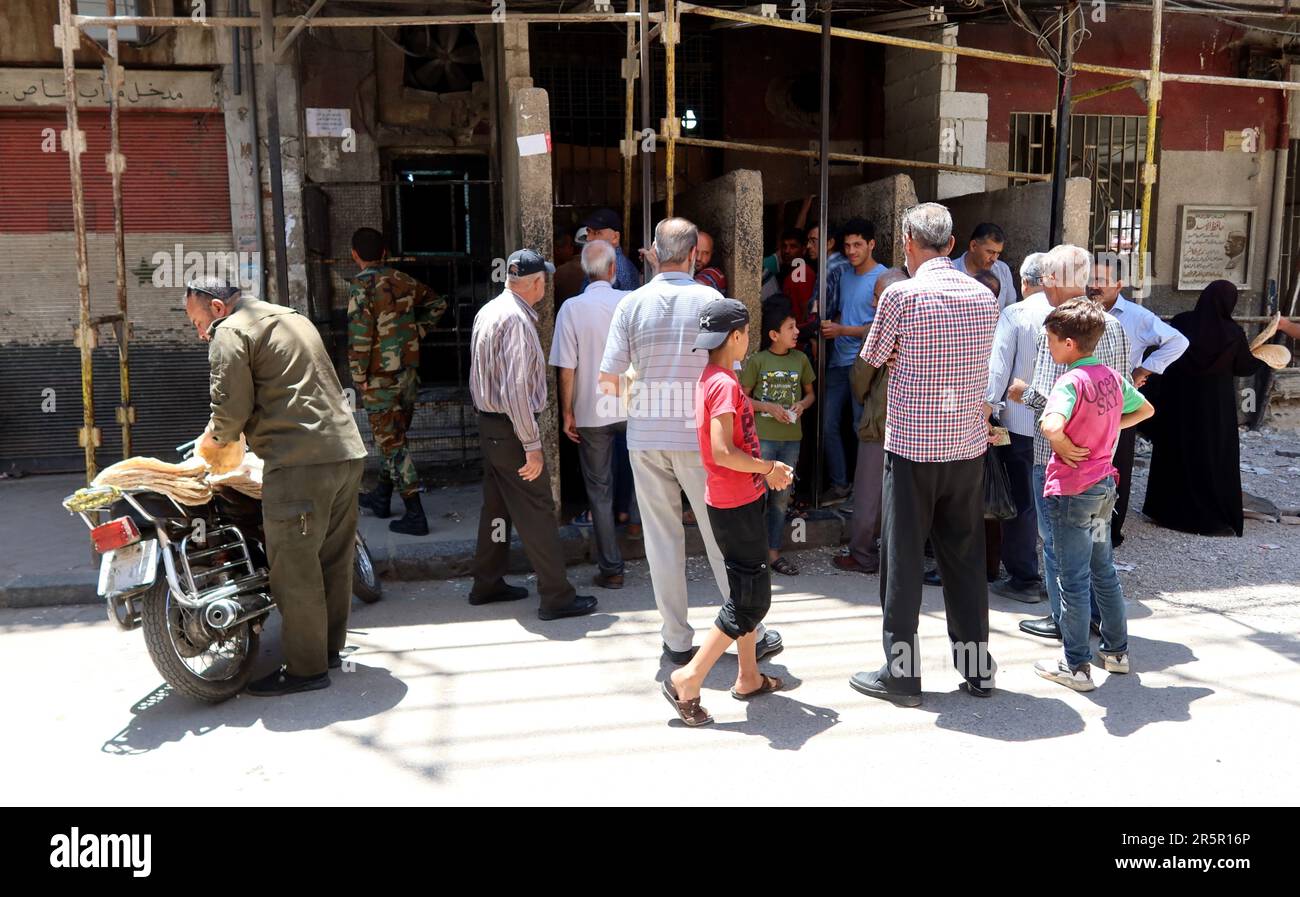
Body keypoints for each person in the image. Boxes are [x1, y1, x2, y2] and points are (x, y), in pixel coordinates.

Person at [601, 218, 783, 665]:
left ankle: (677, 640)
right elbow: (730, 376)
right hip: (703, 436)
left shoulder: (631, 304)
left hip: (646, 436)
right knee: (722, 537)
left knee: (662, 540)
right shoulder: (711, 300)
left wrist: (642, 395)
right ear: (693, 256)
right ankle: (748, 629)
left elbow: (608, 383)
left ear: (656, 252)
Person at [186, 277, 367, 697]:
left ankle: (306, 670)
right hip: (346, 451)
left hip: (299, 462)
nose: (200, 334)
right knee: (332, 559)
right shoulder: (290, 316)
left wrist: (207, 446)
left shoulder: (230, 331)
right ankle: (329, 651)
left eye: (198, 322)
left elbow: (229, 414)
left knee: (294, 567)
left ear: (216, 307)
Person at [850, 203, 1000, 706]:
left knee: (902, 564)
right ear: (952, 245)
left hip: (913, 449)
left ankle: (902, 677)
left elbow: (870, 360)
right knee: (964, 559)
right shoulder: (984, 297)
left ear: (909, 245)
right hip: (966, 449)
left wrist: (899, 358)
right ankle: (977, 670)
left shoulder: (901, 295)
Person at [662, 298, 795, 727]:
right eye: (747, 333)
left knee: (746, 589)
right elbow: (722, 451)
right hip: (735, 501)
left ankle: (749, 676)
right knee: (749, 600)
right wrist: (768, 468)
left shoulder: (715, 376)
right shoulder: (722, 383)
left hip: (733, 500)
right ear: (736, 336)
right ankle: (688, 677)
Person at [1007, 244, 1132, 642]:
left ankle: (1068, 626)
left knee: (1059, 548)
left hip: (1058, 459)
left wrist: (1022, 393)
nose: (1042, 285)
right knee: (1097, 548)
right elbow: (1122, 394)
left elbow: (1052, 403)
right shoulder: (1108, 323)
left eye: (1045, 278)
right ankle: (1102, 628)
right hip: (1100, 461)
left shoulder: (1060, 326)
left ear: (1057, 280)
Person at [468, 249, 598, 621]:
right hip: (511, 430)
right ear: (537, 282)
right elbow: (516, 393)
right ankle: (556, 595)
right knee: (538, 511)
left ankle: (487, 581)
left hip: (492, 427)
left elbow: (481, 378)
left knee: (496, 507)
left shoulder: (489, 311)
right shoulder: (517, 322)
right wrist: (532, 446)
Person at [1033, 297, 1154, 691]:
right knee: (1104, 570)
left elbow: (1051, 424)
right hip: (1104, 489)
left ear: (1069, 343)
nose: (1049, 346)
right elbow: (1146, 410)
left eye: (1051, 339)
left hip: (1072, 492)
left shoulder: (1069, 381)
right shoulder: (1112, 377)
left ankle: (1076, 667)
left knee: (1072, 577)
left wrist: (1063, 444)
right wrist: (1110, 429)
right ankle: (1116, 652)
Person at [1142, 280, 1271, 537]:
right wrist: (1261, 354)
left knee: (1176, 452)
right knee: (1211, 456)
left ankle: (1168, 511)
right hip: (1215, 410)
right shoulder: (1232, 333)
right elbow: (1244, 367)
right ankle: (1210, 516)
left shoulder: (1182, 322)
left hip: (1178, 403)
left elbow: (1164, 352)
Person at [349, 227, 447, 536]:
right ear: (384, 252)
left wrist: (358, 375)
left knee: (392, 444)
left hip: (379, 379)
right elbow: (438, 304)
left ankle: (415, 514)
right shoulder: (403, 280)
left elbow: (360, 335)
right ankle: (381, 497)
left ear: (355, 255)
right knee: (394, 438)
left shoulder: (361, 287)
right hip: (408, 375)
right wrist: (415, 333)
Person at [1087, 257, 1189, 546]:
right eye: (1092, 279)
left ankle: (1109, 532)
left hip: (1119, 402)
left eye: (1102, 281)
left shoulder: (1136, 316)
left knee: (1115, 466)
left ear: (1119, 285)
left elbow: (1178, 341)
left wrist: (1145, 369)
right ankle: (1084, 530)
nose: (1095, 286)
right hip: (1083, 402)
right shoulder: (1080, 310)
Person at [551, 240, 631, 590]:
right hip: (632, 406)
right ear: (614, 269)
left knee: (600, 492)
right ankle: (655, 552)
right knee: (649, 480)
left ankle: (612, 568)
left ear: (586, 270)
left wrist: (567, 412)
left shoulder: (571, 308)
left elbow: (566, 368)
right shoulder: (629, 303)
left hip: (590, 410)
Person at [983, 251, 1051, 603]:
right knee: (1057, 502)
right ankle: (1060, 582)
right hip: (1062, 425)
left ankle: (1024, 578)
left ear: (1024, 282)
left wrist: (988, 410)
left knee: (1022, 502)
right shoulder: (1070, 314)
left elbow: (998, 368)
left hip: (1020, 423)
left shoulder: (1016, 313)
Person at [834, 268, 907, 575]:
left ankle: (863, 554)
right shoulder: (926, 323)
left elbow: (861, 377)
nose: (875, 303)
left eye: (878, 296)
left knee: (868, 492)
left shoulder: (881, 328)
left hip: (879, 421)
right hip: (916, 427)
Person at [740, 303, 815, 575]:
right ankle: (752, 553)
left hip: (791, 439)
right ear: (774, 334)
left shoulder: (801, 360)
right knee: (756, 496)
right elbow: (742, 399)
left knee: (782, 498)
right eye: (790, 327)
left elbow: (810, 394)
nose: (797, 332)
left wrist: (802, 405)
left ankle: (772, 553)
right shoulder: (758, 361)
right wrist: (767, 407)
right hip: (764, 440)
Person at [820, 217, 887, 503]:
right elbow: (843, 311)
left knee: (861, 429)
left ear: (871, 244)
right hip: (838, 362)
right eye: (847, 245)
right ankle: (840, 484)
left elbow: (882, 326)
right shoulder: (844, 274)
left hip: (865, 365)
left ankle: (864, 491)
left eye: (857, 244)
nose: (851, 250)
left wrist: (842, 330)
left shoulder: (885, 277)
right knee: (827, 425)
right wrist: (833, 324)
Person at [953, 222, 1017, 308]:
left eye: (998, 253)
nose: (994, 259)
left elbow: (1010, 308)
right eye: (990, 252)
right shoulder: (950, 270)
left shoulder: (1003, 269)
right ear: (973, 246)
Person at [579, 208, 642, 291]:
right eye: (588, 232)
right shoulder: (603, 261)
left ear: (615, 237)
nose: (588, 238)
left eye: (597, 233)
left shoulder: (618, 268)